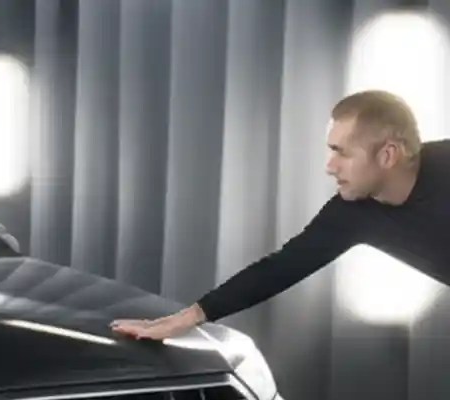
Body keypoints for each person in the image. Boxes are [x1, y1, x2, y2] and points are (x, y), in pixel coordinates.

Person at [110, 89, 450, 340]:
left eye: (341, 153)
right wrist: (184, 319)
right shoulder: (352, 212)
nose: (330, 167)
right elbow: (281, 267)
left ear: (388, 155)